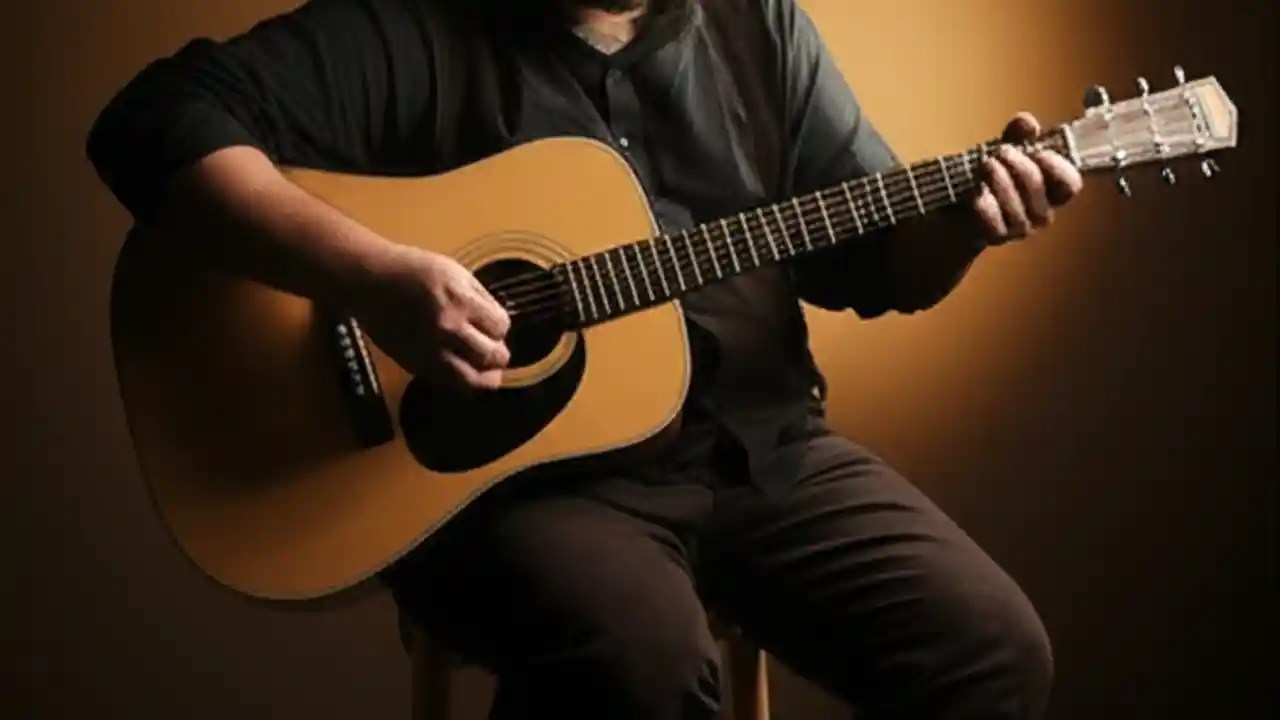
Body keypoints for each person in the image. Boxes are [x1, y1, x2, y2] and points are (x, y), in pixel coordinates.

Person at [86, 0, 1084, 717]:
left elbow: (871, 265)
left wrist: (963, 227)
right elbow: (152, 121)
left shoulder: (760, 23)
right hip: (527, 491)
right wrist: (370, 278)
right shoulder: (412, 28)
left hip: (760, 452)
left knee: (990, 651)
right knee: (635, 664)